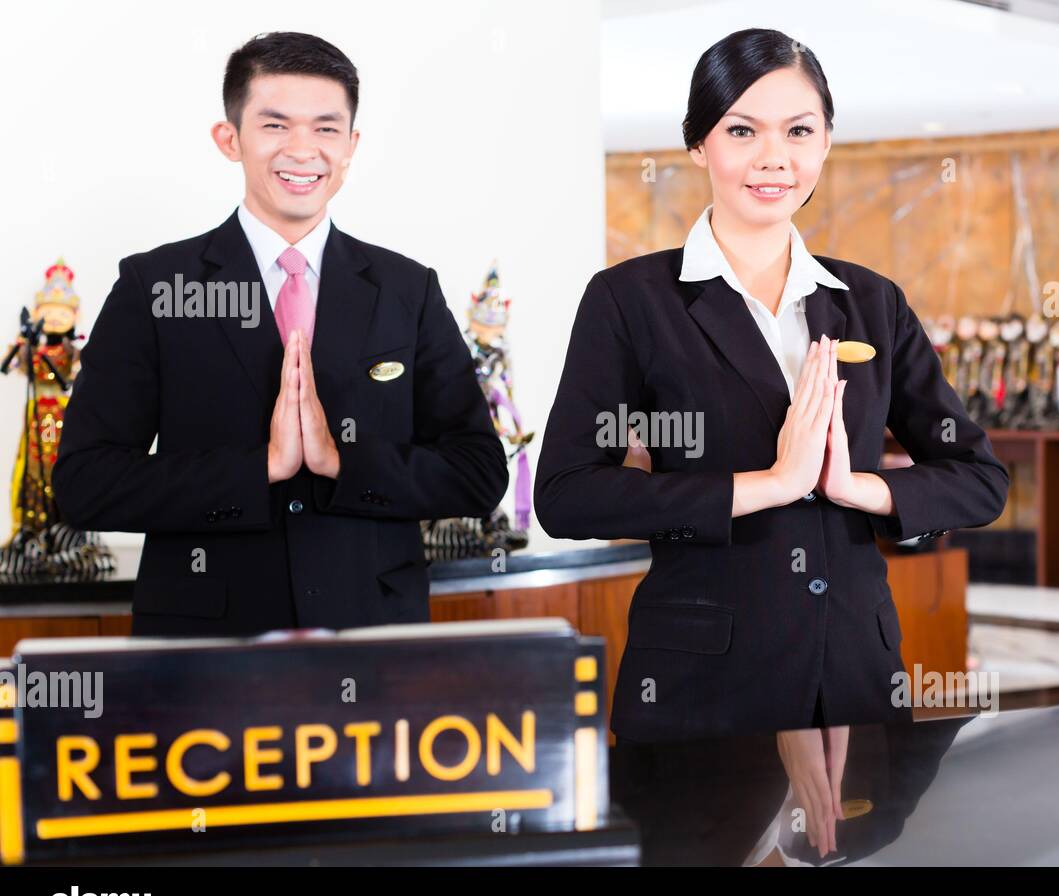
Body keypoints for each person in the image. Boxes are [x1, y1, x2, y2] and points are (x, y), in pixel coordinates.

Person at [535, 28, 1009, 741]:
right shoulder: (630, 299)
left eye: (797, 130)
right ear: (699, 143)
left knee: (857, 854)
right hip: (702, 682)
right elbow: (568, 494)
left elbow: (979, 478)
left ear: (824, 141)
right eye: (742, 130)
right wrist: (770, 483)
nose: (773, 158)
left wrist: (860, 489)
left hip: (855, 674)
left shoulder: (872, 302)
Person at [52, 32, 508, 637]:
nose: (303, 151)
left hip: (373, 638)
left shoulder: (408, 289)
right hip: (204, 646)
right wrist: (258, 467)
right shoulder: (153, 286)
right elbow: (85, 486)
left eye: (325, 129)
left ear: (351, 146)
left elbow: (478, 471)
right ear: (230, 138)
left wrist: (339, 461)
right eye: (275, 125)